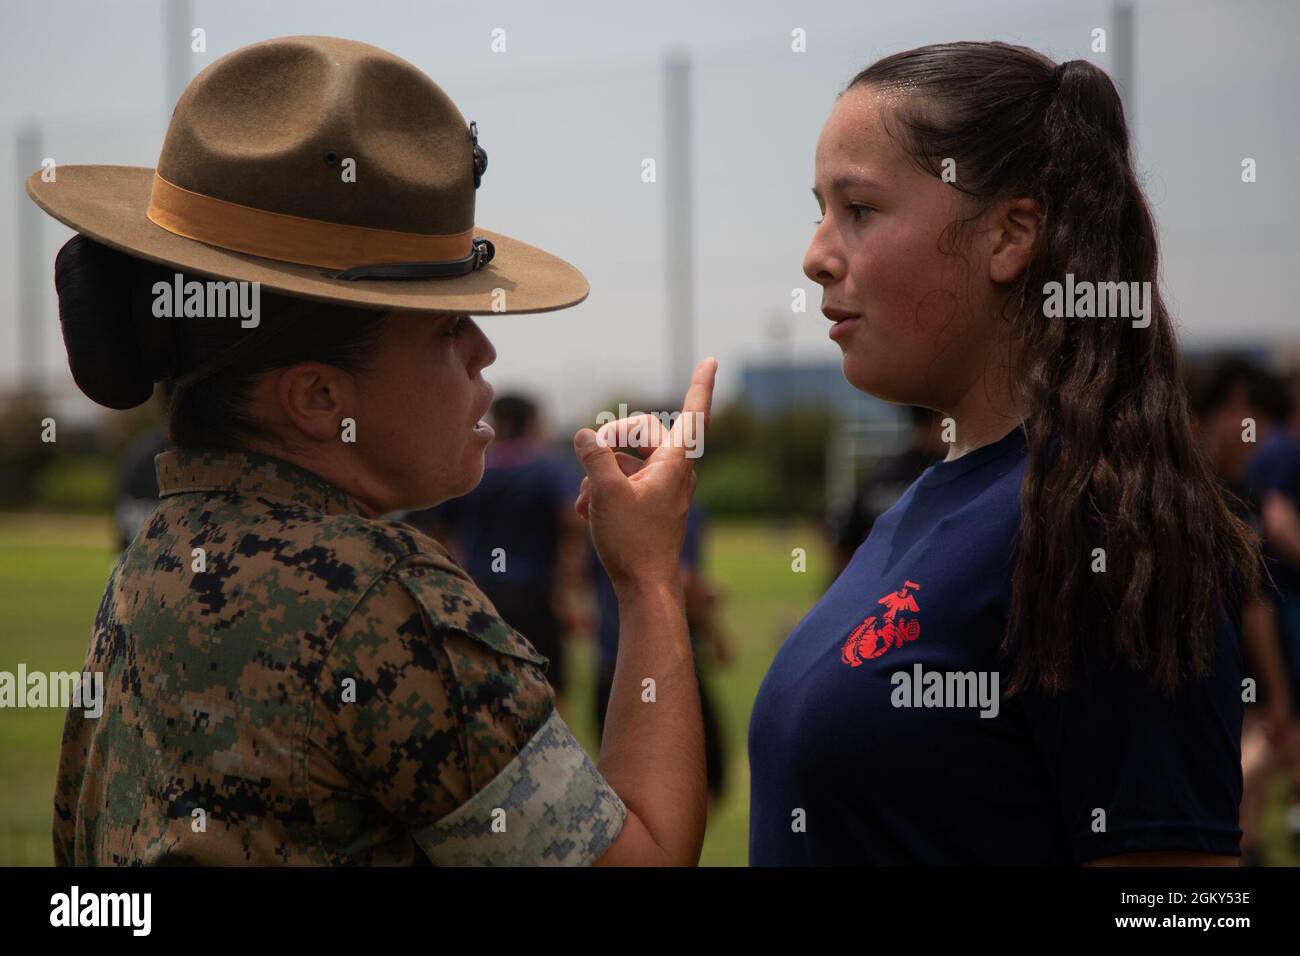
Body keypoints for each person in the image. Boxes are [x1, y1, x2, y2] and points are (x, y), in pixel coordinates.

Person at [32, 35, 712, 866]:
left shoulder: (160, 555)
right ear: (320, 399)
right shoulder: (384, 598)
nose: (485, 355)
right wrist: (647, 578)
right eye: (447, 329)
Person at [748, 42, 1262, 865]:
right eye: (819, 209)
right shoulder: (927, 503)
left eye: (861, 210)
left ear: (1011, 235)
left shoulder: (1098, 521)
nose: (816, 255)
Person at [406, 395, 586, 705]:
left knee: (490, 694)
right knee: (551, 690)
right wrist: (568, 588)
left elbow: (433, 525)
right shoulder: (548, 466)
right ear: (531, 422)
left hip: (480, 594)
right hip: (535, 595)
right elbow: (572, 521)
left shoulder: (473, 466)